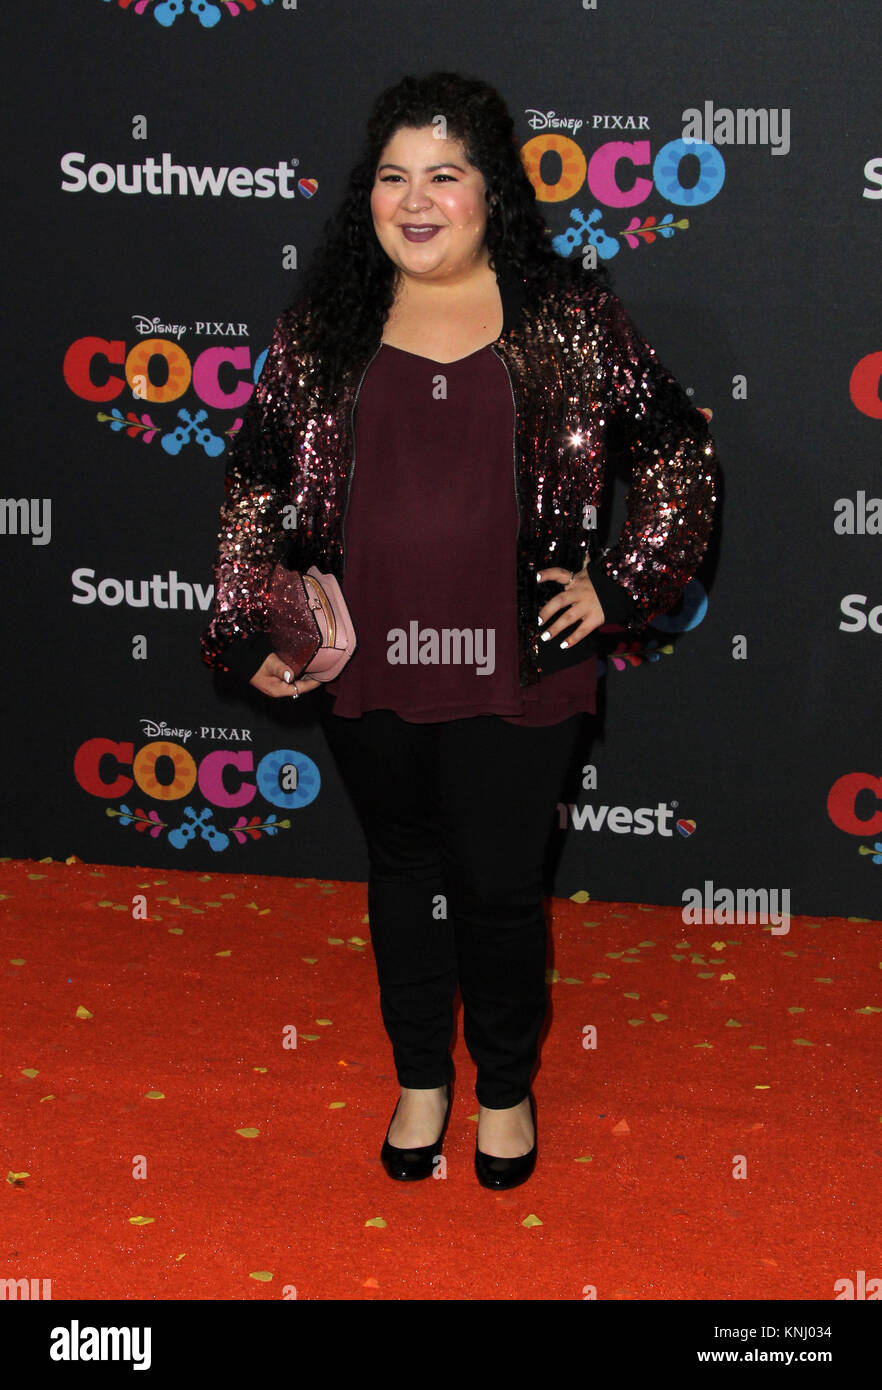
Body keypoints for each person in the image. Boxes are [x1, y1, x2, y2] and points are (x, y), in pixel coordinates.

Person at [201, 71, 718, 1189]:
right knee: (403, 870)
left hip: (517, 668)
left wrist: (621, 582)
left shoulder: (570, 320)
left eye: (445, 174)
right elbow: (254, 480)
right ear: (366, 195)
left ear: (494, 193)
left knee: (495, 881)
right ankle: (420, 1078)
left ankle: (505, 1088)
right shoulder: (322, 325)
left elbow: (677, 450)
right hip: (367, 663)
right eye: (394, 177)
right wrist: (265, 618)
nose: (416, 199)